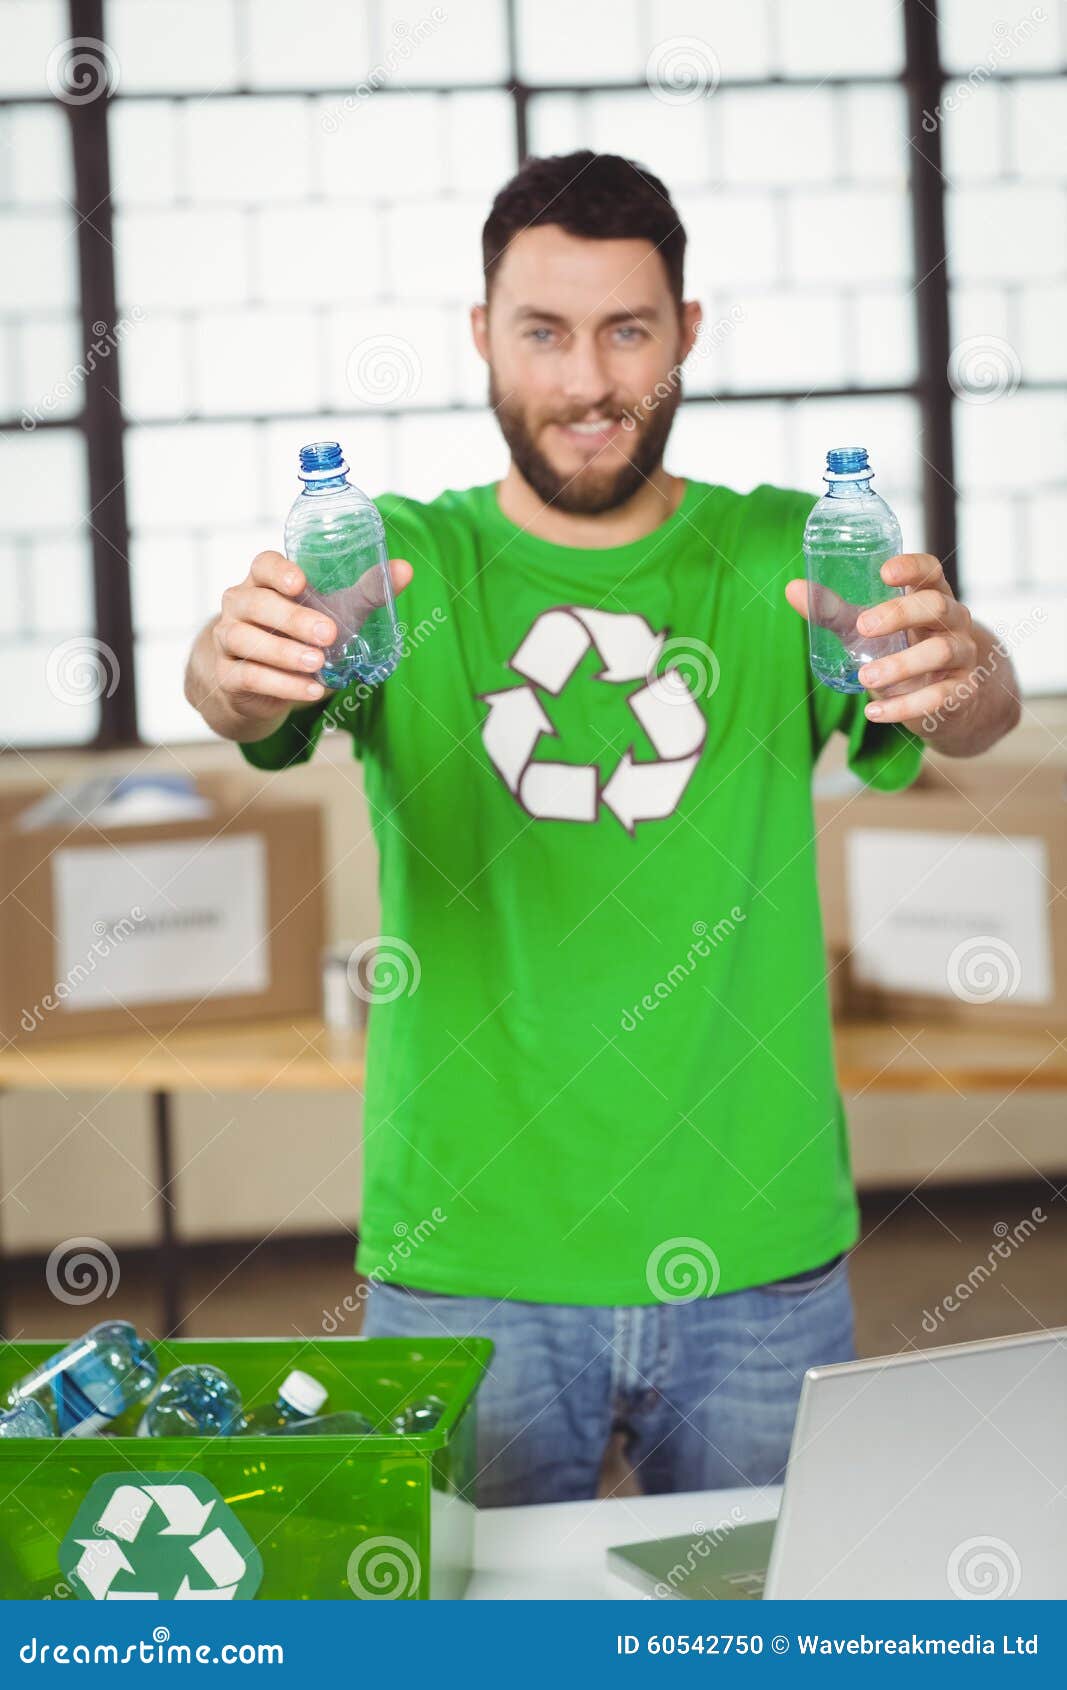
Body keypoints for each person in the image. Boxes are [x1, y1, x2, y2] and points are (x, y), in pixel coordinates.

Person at [185, 151, 1020, 1506]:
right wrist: (230, 666)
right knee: (472, 1644)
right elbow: (240, 693)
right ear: (482, 338)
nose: (587, 382)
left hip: (757, 1254)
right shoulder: (395, 565)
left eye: (628, 329)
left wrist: (969, 665)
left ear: (686, 332)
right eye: (545, 333)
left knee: (777, 1636)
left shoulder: (789, 558)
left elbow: (965, 712)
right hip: (470, 1265)